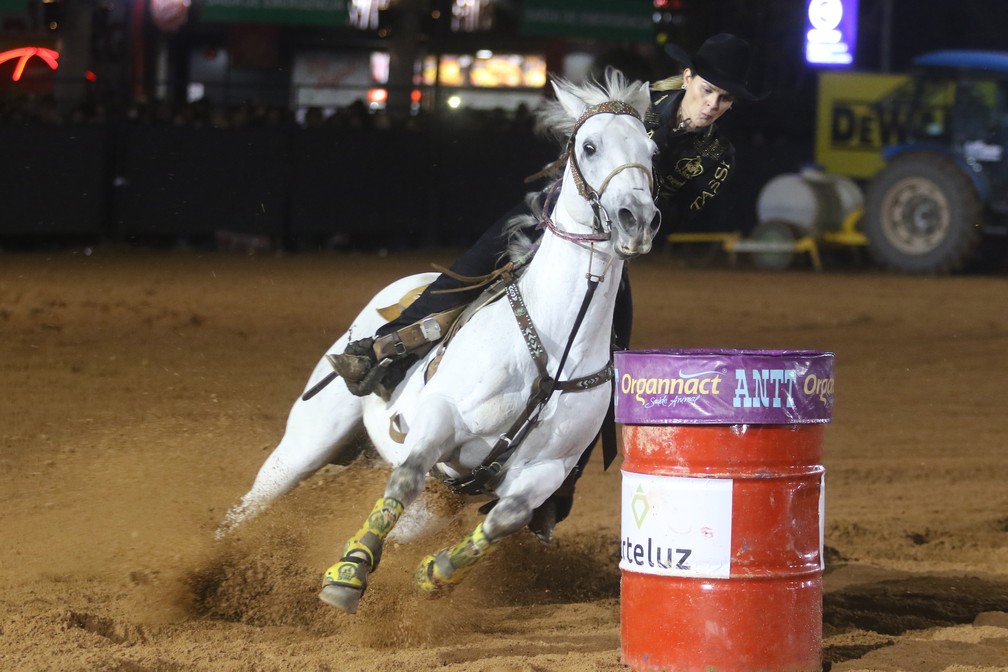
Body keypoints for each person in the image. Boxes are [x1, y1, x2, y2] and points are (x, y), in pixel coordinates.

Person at [329, 32, 765, 537]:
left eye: (725, 99)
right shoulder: (637, 105)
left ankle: (558, 486)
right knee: (467, 272)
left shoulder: (718, 158)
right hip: (553, 212)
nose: (713, 104)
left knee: (610, 361)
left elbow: (675, 215)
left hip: (609, 250)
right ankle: (382, 352)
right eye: (708, 90)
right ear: (688, 77)